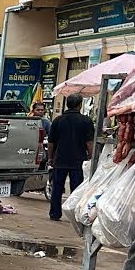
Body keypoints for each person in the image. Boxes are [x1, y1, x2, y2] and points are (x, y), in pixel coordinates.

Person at [48, 93, 94, 221]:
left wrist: (50, 158)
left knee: (57, 188)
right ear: (80, 105)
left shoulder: (58, 120)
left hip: (60, 159)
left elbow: (51, 142)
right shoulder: (86, 121)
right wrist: (91, 158)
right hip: (78, 161)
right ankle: (74, 215)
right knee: (77, 190)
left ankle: (54, 214)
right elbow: (89, 142)